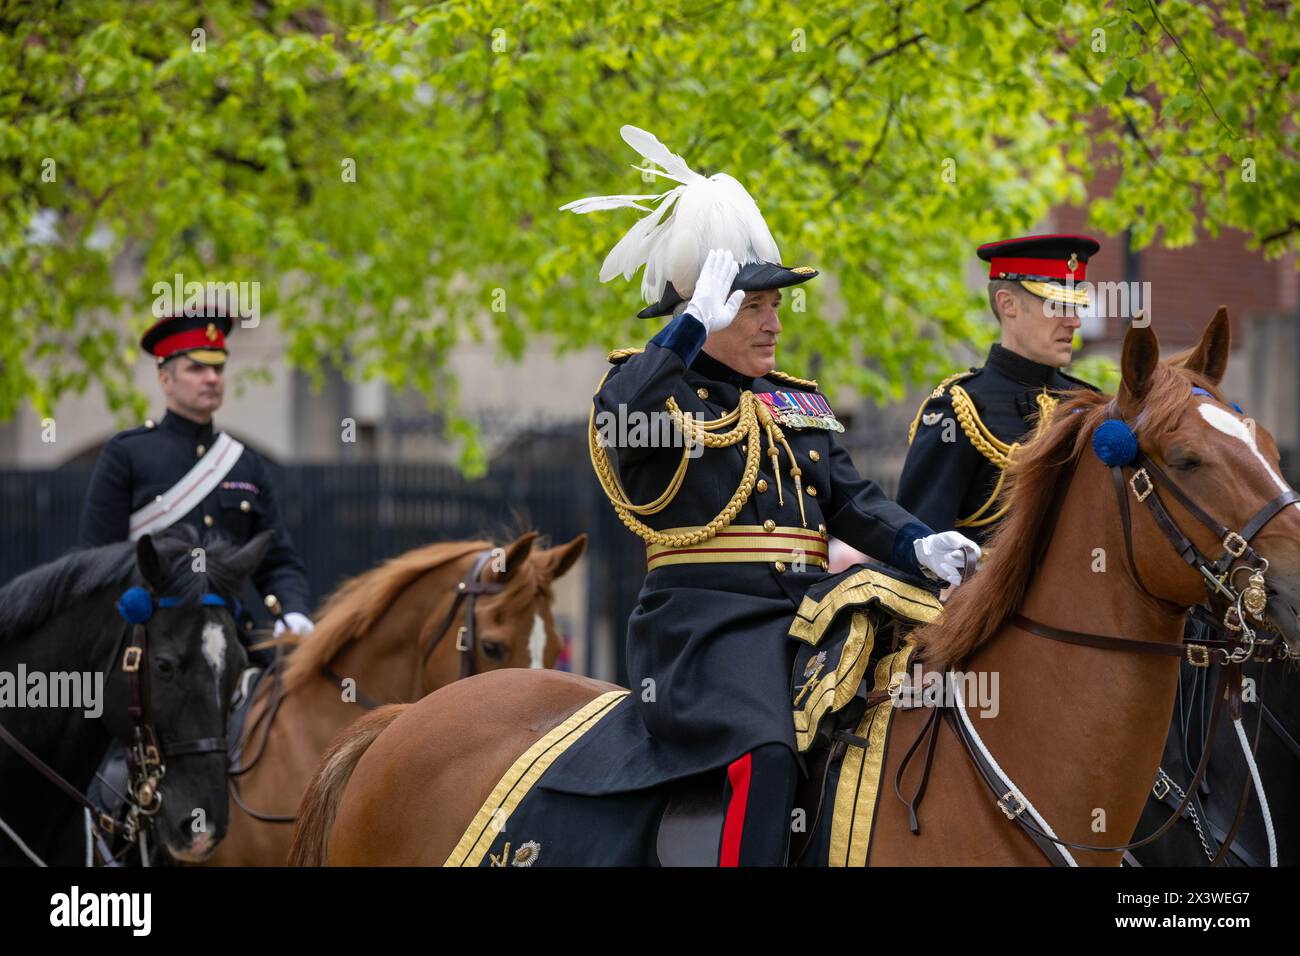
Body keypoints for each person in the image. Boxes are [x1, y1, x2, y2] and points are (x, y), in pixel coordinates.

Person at [566, 125, 980, 866]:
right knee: (767, 752)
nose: (773, 321)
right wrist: (688, 330)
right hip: (704, 632)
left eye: (774, 304)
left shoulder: (797, 403)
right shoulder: (655, 393)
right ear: (712, 310)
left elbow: (853, 502)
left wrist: (921, 542)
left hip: (808, 617)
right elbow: (617, 425)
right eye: (752, 305)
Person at [78, 307, 314, 641]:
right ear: (165, 380)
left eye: (218, 367)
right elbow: (95, 562)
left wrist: (293, 611)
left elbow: (277, 560)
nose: (212, 378)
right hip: (155, 640)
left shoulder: (244, 462)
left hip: (231, 637)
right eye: (196, 368)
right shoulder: (127, 454)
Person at [896, 234, 1100, 543]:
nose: (1074, 322)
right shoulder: (960, 407)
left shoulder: (1087, 404)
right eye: (1058, 306)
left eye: (1076, 307)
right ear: (1008, 304)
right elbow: (919, 545)